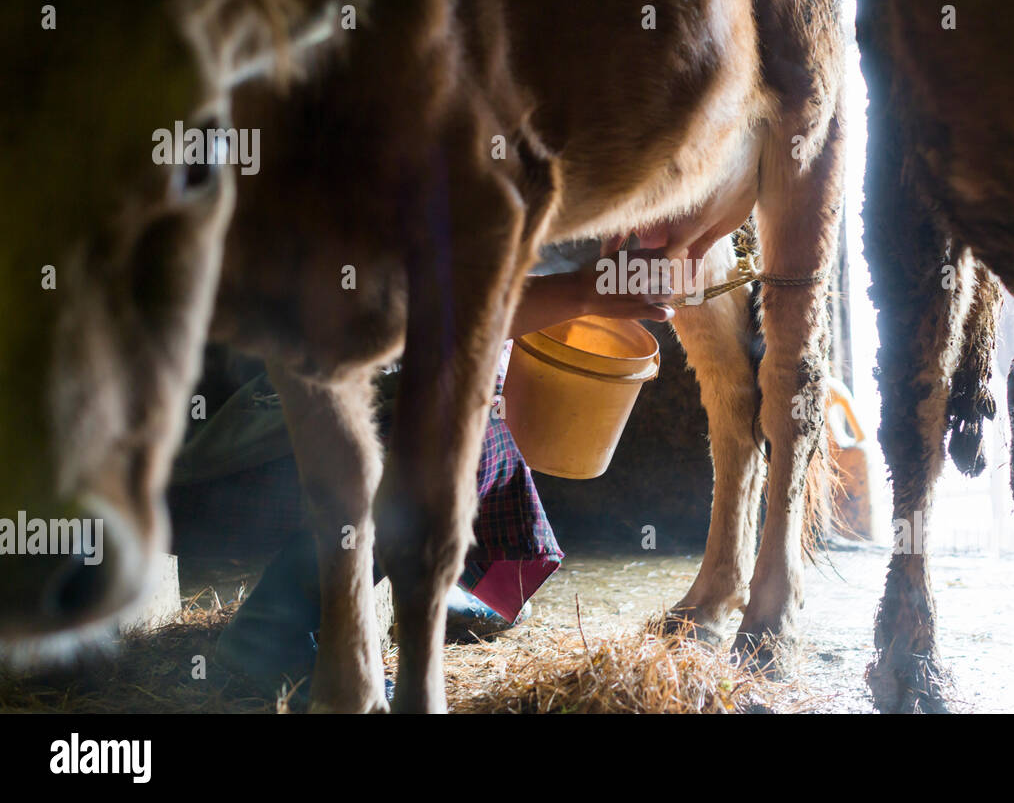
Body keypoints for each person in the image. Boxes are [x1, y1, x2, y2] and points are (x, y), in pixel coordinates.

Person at [213, 249, 676, 701]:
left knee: (473, 400)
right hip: (230, 444)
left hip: (296, 412)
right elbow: (414, 325)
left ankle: (421, 584)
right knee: (457, 436)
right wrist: (581, 292)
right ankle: (270, 628)